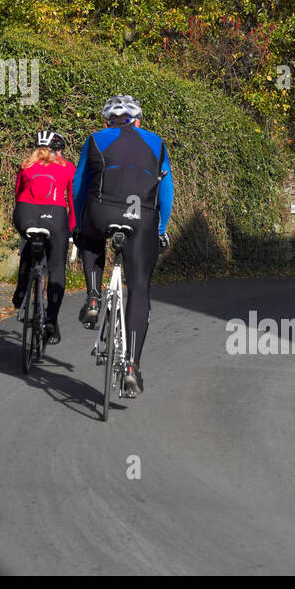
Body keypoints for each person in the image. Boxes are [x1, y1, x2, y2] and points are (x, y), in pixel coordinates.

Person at [71, 95, 173, 397]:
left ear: (107, 122)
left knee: (89, 236)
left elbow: (79, 185)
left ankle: (92, 296)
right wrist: (161, 228)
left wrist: (78, 224)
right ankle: (131, 366)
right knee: (139, 288)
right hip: (141, 217)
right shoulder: (157, 142)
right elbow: (165, 190)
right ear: (138, 121)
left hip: (102, 211)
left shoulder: (94, 139)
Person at [11, 128, 75, 344]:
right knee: (57, 266)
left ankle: (21, 292)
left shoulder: (26, 165)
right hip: (55, 216)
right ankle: (51, 320)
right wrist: (73, 229)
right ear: (58, 151)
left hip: (25, 213)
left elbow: (18, 193)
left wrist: (23, 219)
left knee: (31, 242)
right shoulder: (67, 168)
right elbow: (72, 200)